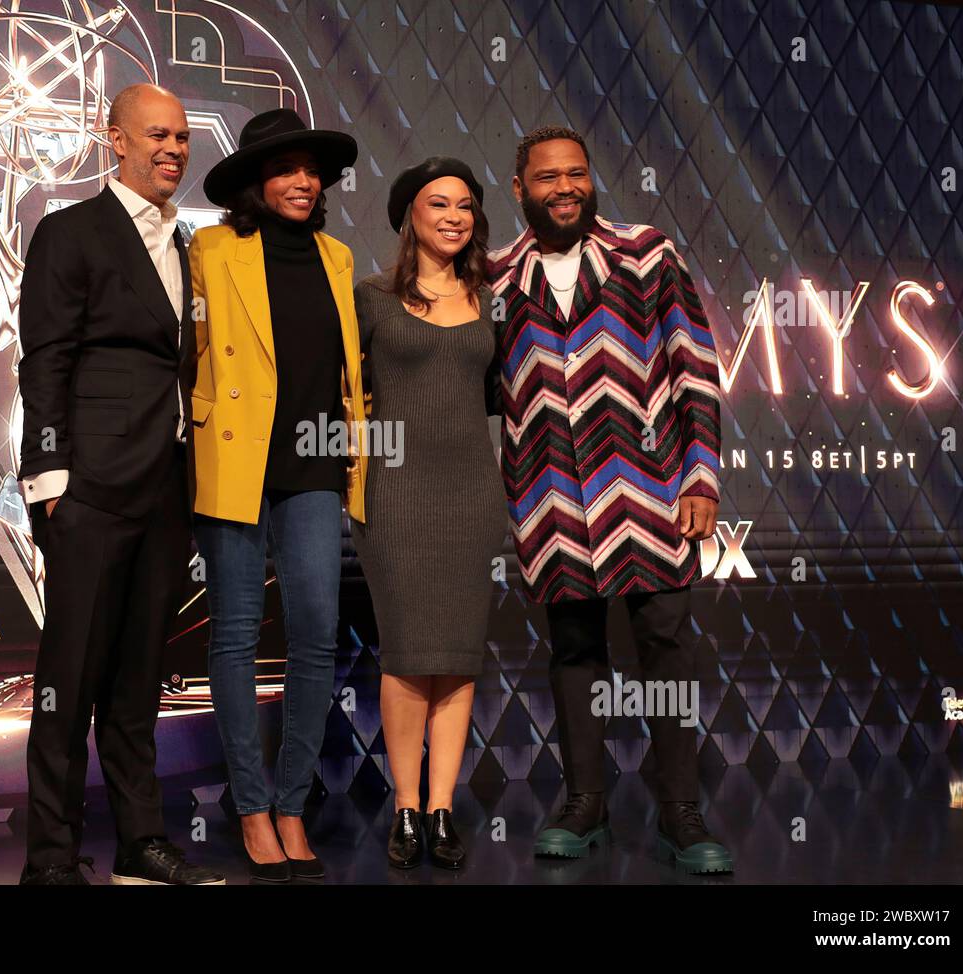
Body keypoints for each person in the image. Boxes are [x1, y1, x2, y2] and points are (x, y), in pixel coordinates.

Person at [487, 126, 732, 874]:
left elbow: (695, 368)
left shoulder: (646, 252)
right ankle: (584, 803)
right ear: (520, 188)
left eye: (577, 173)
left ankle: (681, 809)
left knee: (666, 645)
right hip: (550, 496)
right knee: (574, 650)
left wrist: (701, 477)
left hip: (648, 489)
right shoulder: (496, 276)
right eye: (547, 177)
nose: (565, 187)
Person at [16, 83, 224, 885]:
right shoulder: (71, 232)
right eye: (157, 135)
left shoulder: (188, 244)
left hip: (166, 489)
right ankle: (51, 858)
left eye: (182, 136)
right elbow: (45, 360)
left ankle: (140, 843)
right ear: (116, 140)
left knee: (139, 680)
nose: (173, 149)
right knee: (68, 684)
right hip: (89, 489)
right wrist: (48, 480)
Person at [188, 108, 366, 882]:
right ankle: (251, 806)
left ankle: (292, 803)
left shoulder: (337, 256)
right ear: (255, 182)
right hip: (234, 456)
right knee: (234, 634)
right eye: (286, 169)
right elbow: (191, 353)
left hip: (317, 461)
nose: (302, 181)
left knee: (317, 632)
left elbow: (344, 364)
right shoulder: (211, 248)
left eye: (311, 170)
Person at [351, 158, 505, 870]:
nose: (454, 216)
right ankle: (405, 809)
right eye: (439, 203)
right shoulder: (372, 300)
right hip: (395, 495)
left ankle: (443, 810)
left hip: (471, 495)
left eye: (465, 206)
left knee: (458, 656)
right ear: (409, 215)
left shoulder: (491, 301)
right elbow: (338, 392)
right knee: (410, 654)